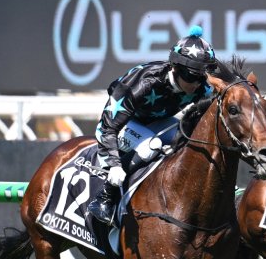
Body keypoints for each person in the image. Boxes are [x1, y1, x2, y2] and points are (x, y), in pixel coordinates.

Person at [86, 26, 216, 227]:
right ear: (175, 67)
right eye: (191, 76)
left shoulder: (202, 88)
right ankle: (105, 196)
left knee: (191, 138)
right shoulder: (144, 83)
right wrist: (113, 164)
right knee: (150, 147)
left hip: (154, 123)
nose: (197, 84)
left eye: (202, 77)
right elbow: (107, 127)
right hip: (121, 124)